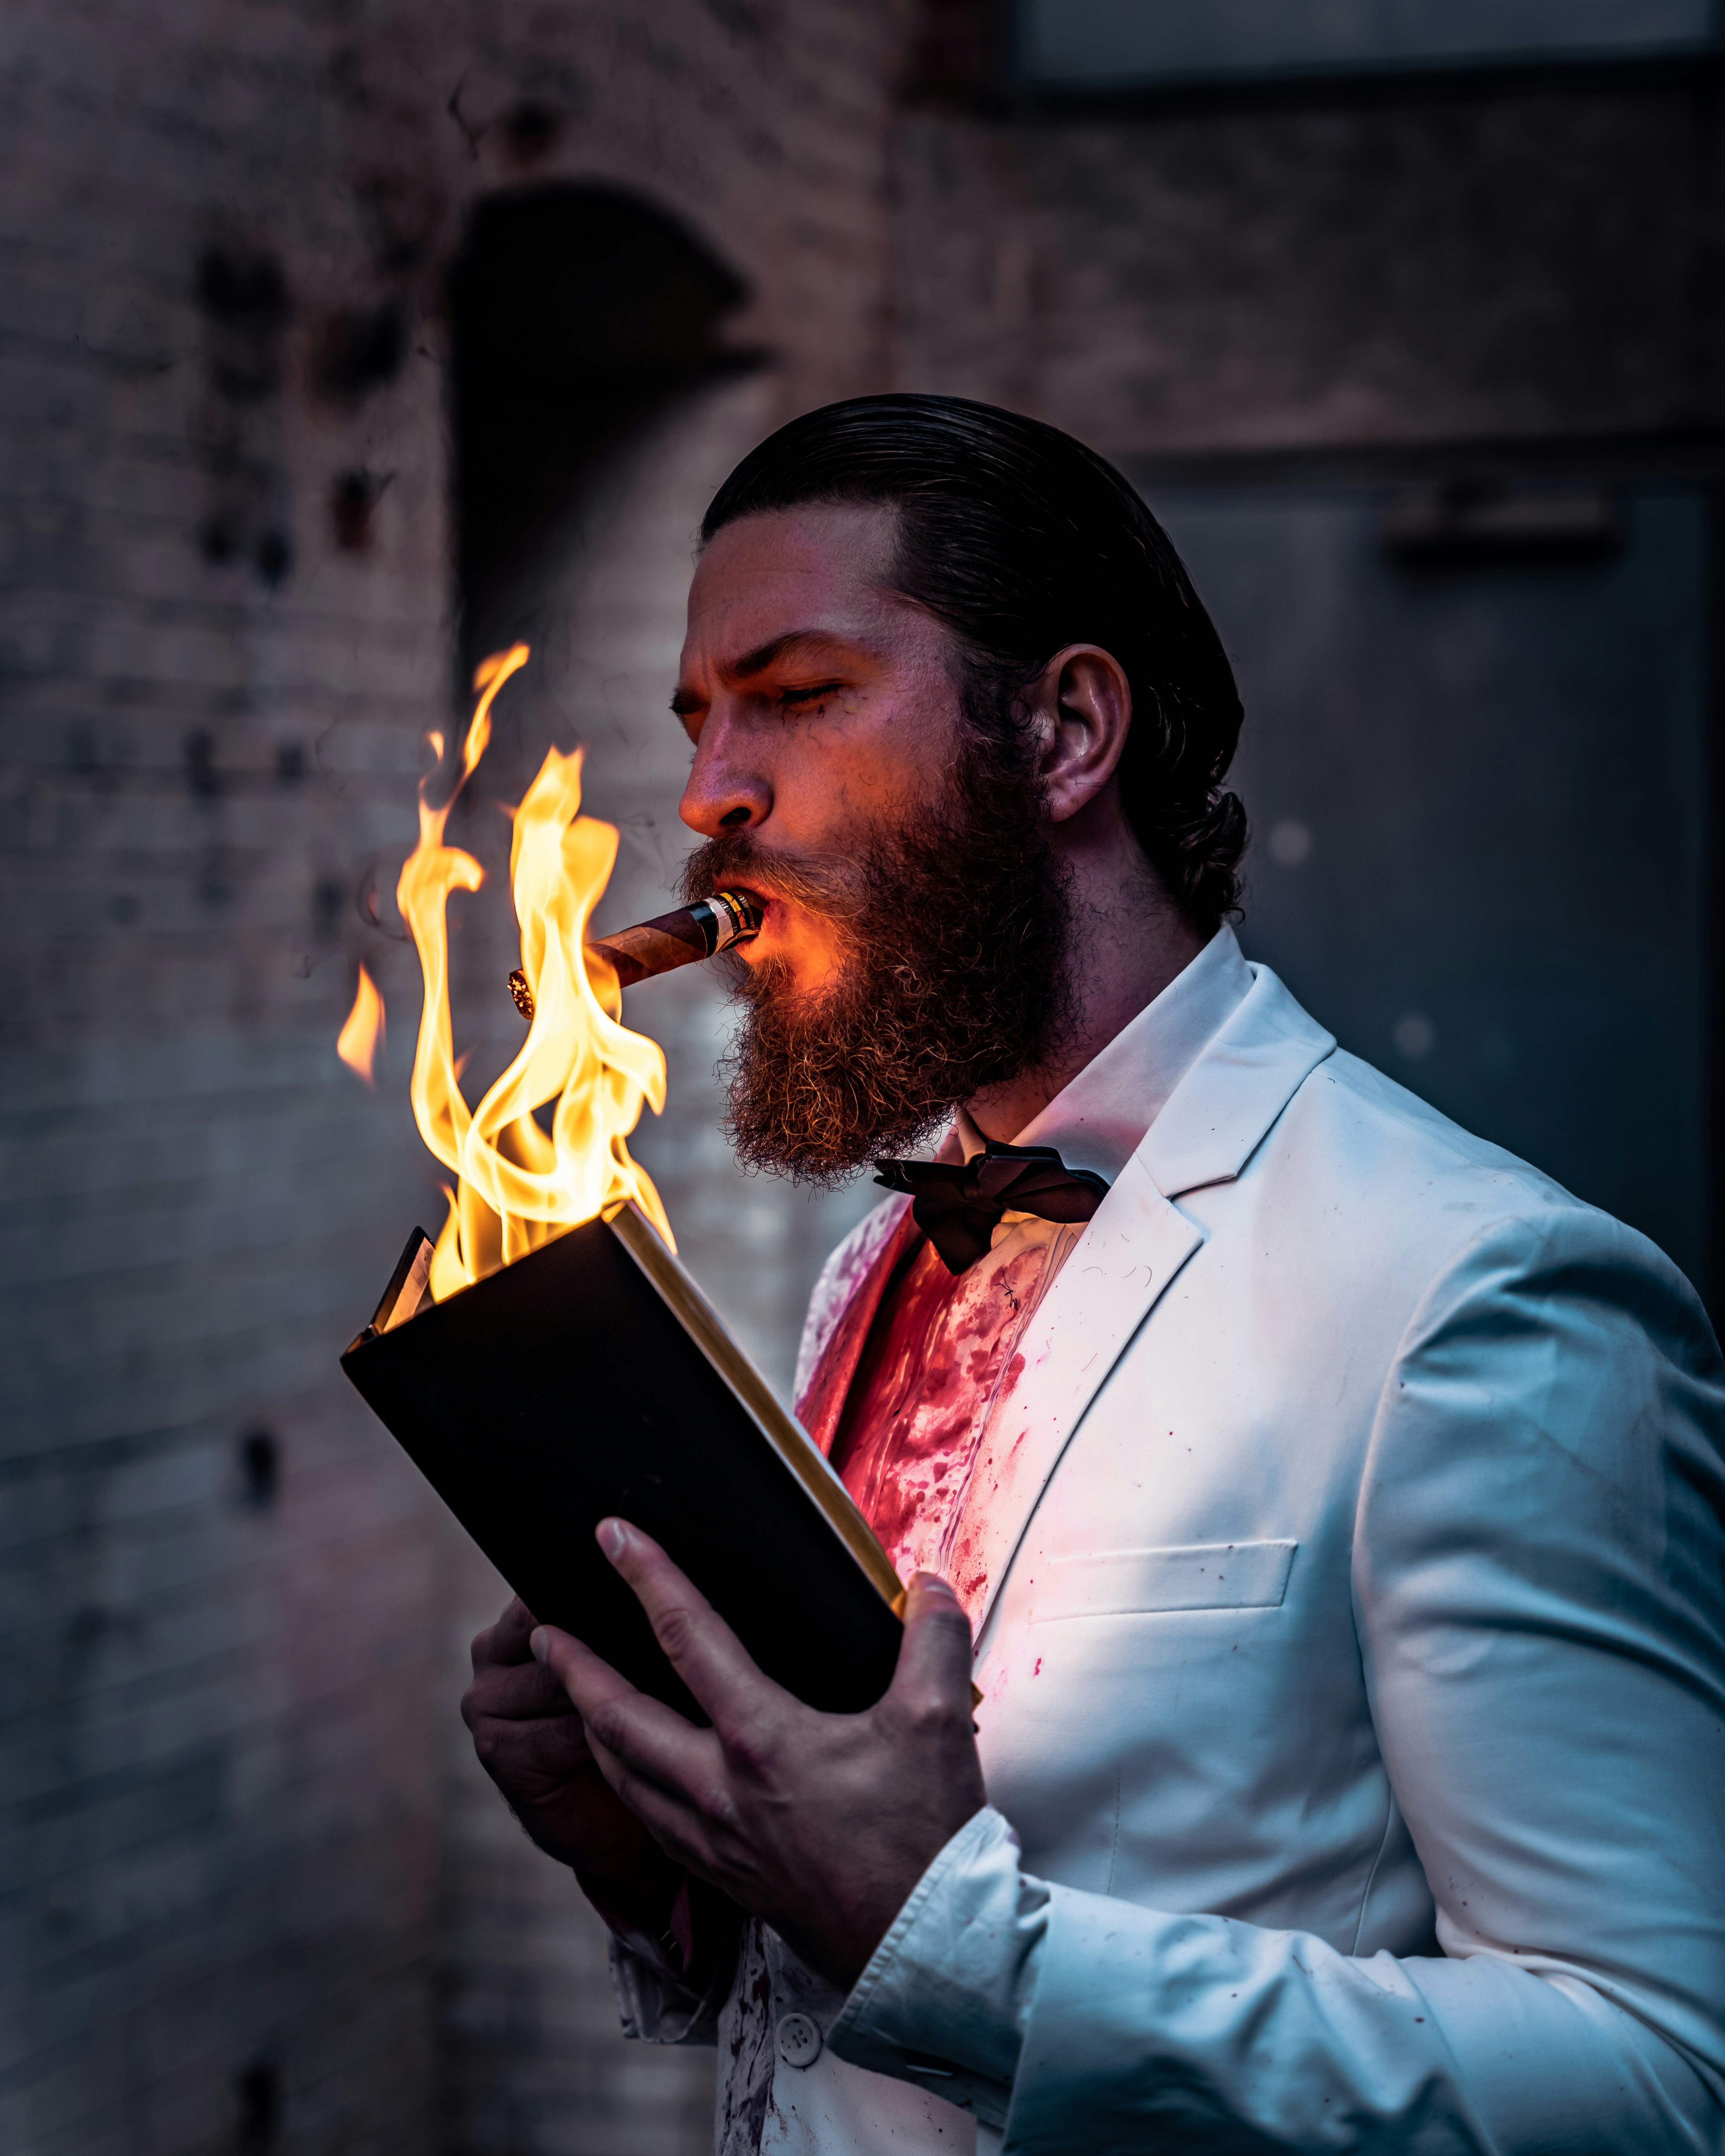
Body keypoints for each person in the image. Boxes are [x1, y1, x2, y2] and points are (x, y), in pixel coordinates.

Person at [461, 395, 1725, 2155]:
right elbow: (851, 1944)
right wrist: (660, 1852)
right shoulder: (871, 1267)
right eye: (699, 719)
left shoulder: (1478, 1292)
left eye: (800, 694)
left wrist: (968, 1956)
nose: (707, 794)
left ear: (1062, 732)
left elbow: (1656, 2080)